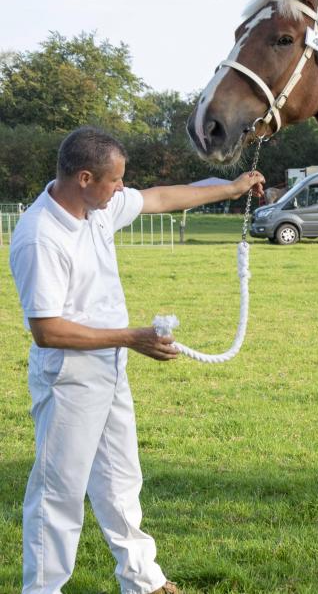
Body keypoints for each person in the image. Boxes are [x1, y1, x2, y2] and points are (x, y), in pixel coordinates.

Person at [8, 127, 265, 594]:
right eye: (116, 180)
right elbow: (47, 330)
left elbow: (164, 197)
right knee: (58, 493)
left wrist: (232, 187)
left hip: (109, 368)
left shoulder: (97, 208)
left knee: (122, 480)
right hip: (69, 378)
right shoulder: (40, 237)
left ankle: (142, 580)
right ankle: (41, 589)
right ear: (84, 177)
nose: (123, 189)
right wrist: (132, 337)